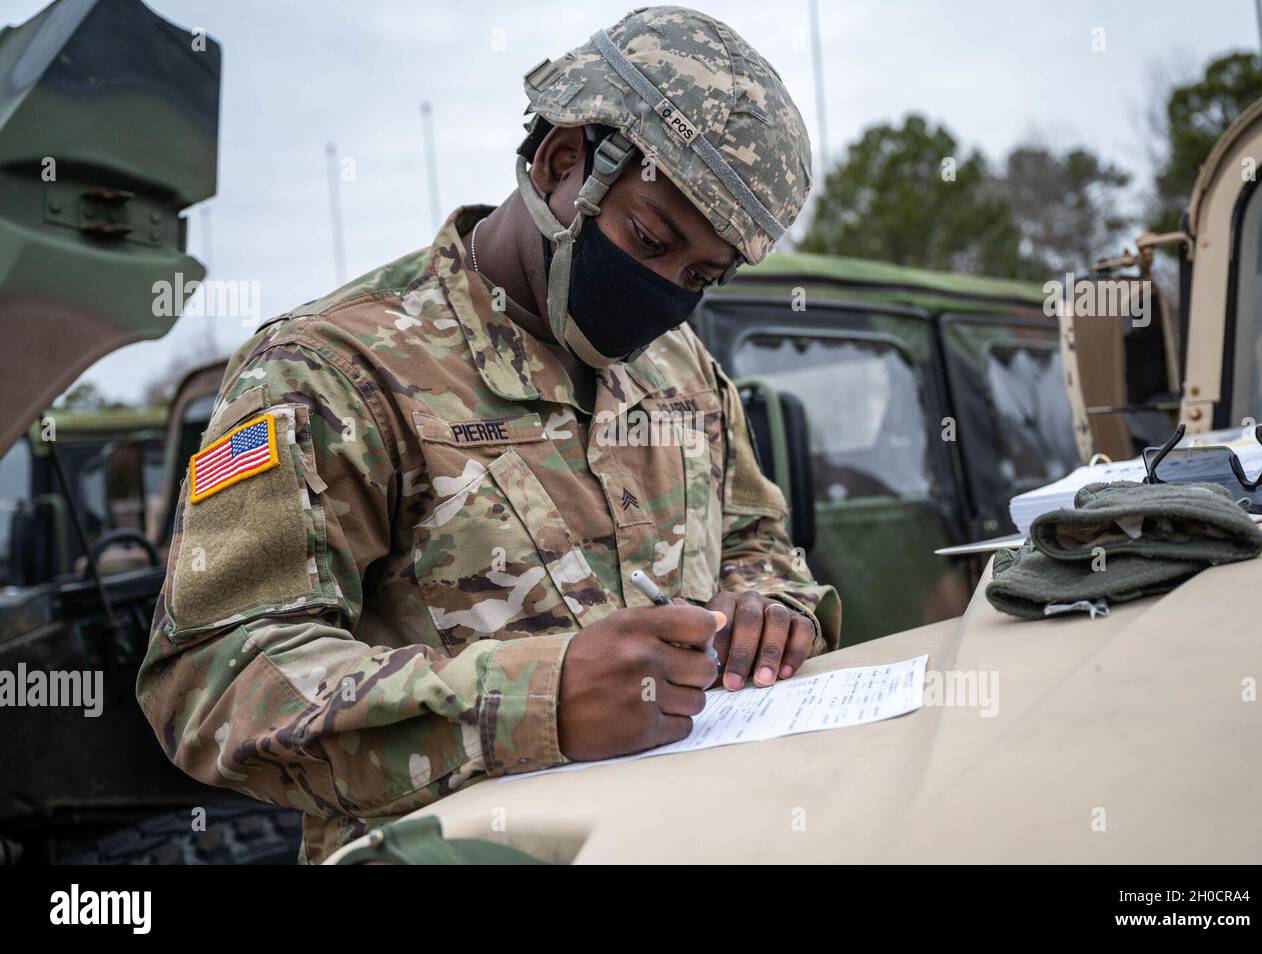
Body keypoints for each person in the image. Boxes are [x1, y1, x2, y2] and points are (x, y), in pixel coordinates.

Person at [137, 5, 841, 863]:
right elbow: (214, 680)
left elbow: (756, 542)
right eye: (649, 240)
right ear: (561, 163)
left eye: (700, 275)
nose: (664, 294)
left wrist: (769, 606)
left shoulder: (680, 368)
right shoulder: (328, 371)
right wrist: (533, 699)